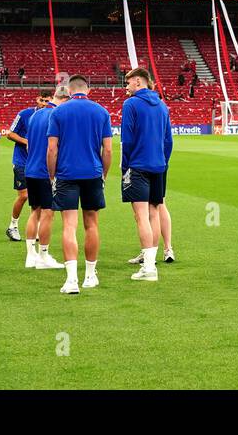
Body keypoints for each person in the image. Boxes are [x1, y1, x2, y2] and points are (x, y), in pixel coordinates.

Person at [47, 74, 113, 294]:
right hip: (92, 173)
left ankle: (71, 280)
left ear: (68, 90)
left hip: (66, 174)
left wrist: (52, 176)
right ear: (88, 89)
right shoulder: (101, 112)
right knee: (91, 224)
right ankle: (90, 275)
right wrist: (103, 175)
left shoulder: (58, 112)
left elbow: (52, 149)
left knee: (69, 225)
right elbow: (109, 149)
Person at [119, 67, 172, 280]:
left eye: (128, 82)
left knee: (141, 216)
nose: (126, 86)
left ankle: (149, 268)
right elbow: (168, 141)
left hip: (138, 166)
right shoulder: (162, 105)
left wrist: (125, 168)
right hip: (158, 166)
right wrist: (163, 162)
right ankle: (151, 259)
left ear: (139, 82)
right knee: (154, 212)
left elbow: (127, 140)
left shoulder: (130, 104)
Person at [23, 86, 67, 270]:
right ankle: (43, 256)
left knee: (35, 211)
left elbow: (28, 145)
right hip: (44, 171)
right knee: (48, 213)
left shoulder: (35, 115)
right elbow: (54, 147)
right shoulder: (57, 116)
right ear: (65, 99)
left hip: (31, 168)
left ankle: (30, 256)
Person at [4, 91, 50, 242]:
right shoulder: (24, 114)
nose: (44, 103)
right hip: (22, 161)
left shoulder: (52, 116)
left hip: (39, 163)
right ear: (37, 99)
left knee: (36, 199)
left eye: (47, 101)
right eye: (42, 100)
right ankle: (13, 226)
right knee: (24, 195)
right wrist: (27, 142)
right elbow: (10, 133)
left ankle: (34, 229)